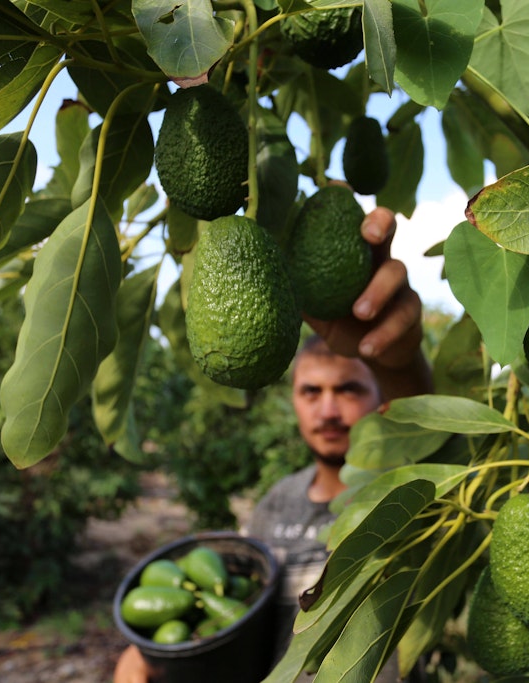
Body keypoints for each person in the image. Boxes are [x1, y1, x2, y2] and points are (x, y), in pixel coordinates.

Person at [114, 204, 433, 683]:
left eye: (348, 389)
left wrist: (398, 365)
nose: (328, 410)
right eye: (312, 391)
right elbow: (239, 608)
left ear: (378, 397)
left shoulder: (407, 489)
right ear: (293, 400)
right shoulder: (274, 504)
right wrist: (159, 654)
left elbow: (431, 435)